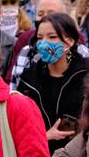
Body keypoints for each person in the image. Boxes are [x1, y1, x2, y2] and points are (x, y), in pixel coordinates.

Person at [15, 12, 88, 142]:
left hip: (75, 156)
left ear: (69, 41)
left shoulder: (84, 77)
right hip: (37, 154)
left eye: (52, 37)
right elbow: (18, 124)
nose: (43, 43)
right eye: (39, 37)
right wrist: (44, 136)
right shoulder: (29, 78)